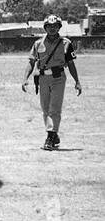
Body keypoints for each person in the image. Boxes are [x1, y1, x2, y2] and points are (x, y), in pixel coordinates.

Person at [21, 15, 83, 151]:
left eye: (55, 26)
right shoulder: (38, 44)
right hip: (43, 79)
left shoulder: (66, 43)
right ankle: (54, 135)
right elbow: (31, 62)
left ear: (59, 27)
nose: (52, 29)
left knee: (54, 108)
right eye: (49, 26)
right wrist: (25, 79)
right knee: (45, 108)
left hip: (58, 77)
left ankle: (50, 137)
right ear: (45, 28)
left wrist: (77, 81)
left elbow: (71, 64)